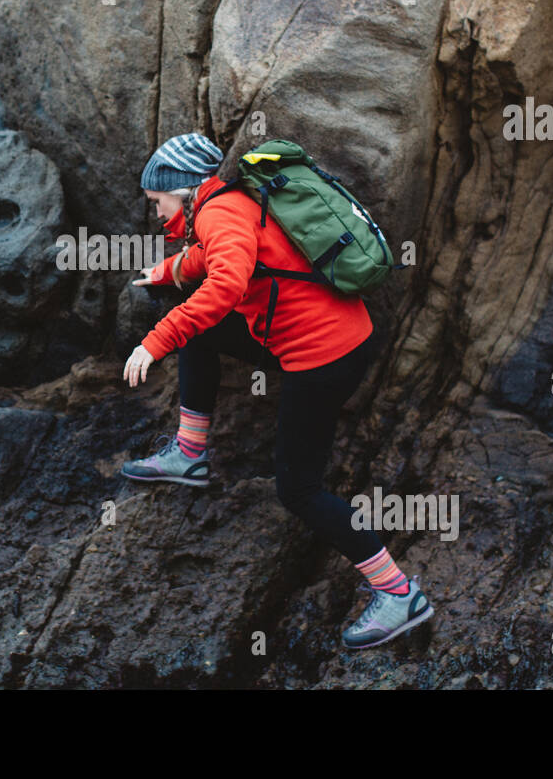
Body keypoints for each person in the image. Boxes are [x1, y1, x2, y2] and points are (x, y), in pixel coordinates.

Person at [120, 132, 434, 649]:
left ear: (184, 191)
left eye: (158, 202)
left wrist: (154, 344)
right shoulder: (231, 200)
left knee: (299, 490)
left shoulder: (219, 214)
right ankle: (190, 454)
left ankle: (399, 594)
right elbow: (217, 257)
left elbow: (225, 286)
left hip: (323, 359)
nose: (157, 214)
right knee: (197, 330)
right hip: (341, 338)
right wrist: (170, 270)